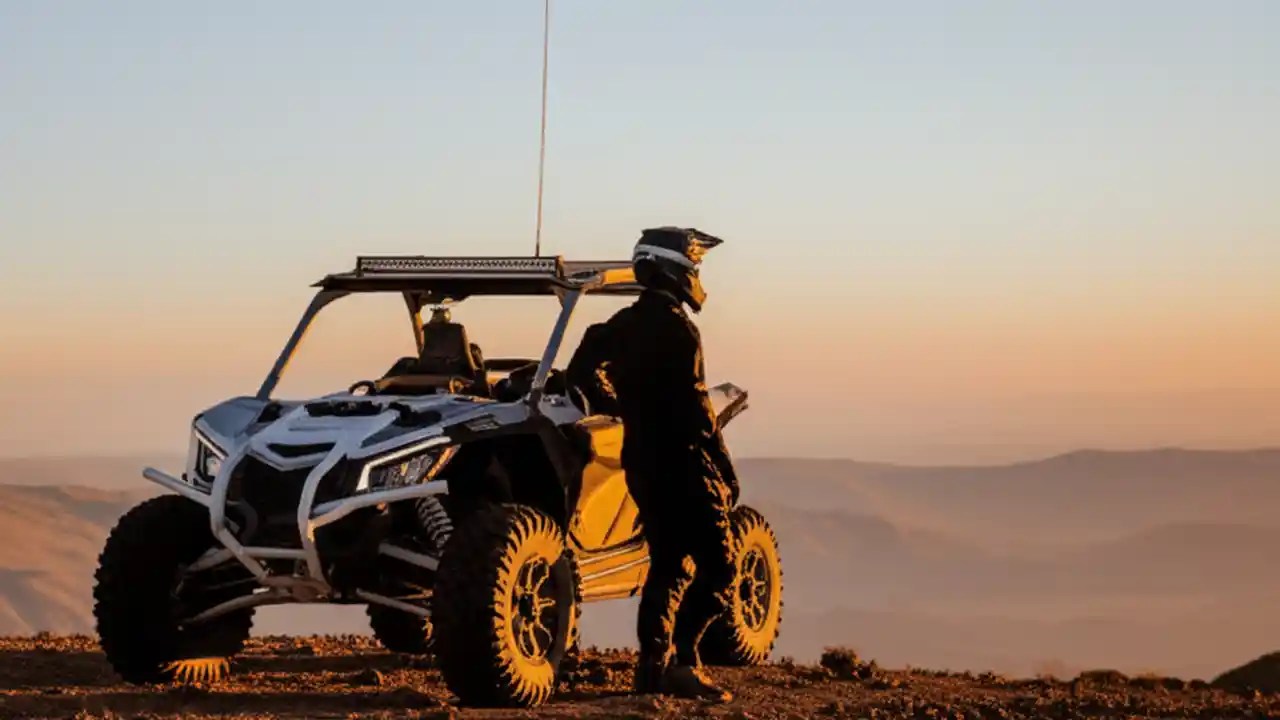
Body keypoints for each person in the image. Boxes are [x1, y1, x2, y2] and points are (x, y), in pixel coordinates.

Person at [565, 226, 740, 703]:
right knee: (720, 568)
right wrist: (724, 465)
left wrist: (621, 407)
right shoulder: (681, 330)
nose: (697, 275)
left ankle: (651, 668)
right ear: (677, 270)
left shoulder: (619, 325)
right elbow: (699, 409)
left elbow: (579, 373)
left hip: (641, 459)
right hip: (685, 461)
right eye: (694, 267)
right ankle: (685, 662)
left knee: (665, 563)